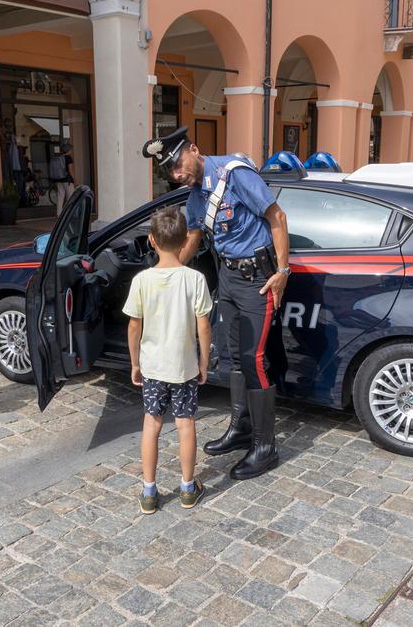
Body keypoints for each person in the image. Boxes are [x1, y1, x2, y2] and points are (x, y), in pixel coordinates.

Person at [142, 127, 291, 480]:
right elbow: (193, 236)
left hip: (258, 277)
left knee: (254, 359)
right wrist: (170, 268)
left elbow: (277, 217)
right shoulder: (195, 195)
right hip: (228, 277)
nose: (179, 174)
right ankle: (241, 429)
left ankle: (265, 446)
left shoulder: (234, 174)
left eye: (180, 164)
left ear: (194, 149)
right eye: (172, 172)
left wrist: (283, 271)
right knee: (233, 354)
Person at [123, 207, 213, 514]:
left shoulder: (142, 281)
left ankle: (149, 491)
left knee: (152, 424)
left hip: (153, 367)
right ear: (187, 239)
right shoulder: (195, 279)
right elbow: (203, 325)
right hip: (184, 365)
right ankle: (188, 488)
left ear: (151, 240)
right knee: (186, 424)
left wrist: (135, 363)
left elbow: (134, 326)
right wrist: (203, 361)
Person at [49, 143, 75, 215]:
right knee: (70, 197)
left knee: (60, 197)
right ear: (68, 150)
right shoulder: (68, 158)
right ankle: (69, 214)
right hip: (67, 181)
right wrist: (75, 180)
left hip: (59, 180)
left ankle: (59, 214)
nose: (72, 150)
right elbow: (70, 171)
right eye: (71, 149)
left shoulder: (59, 158)